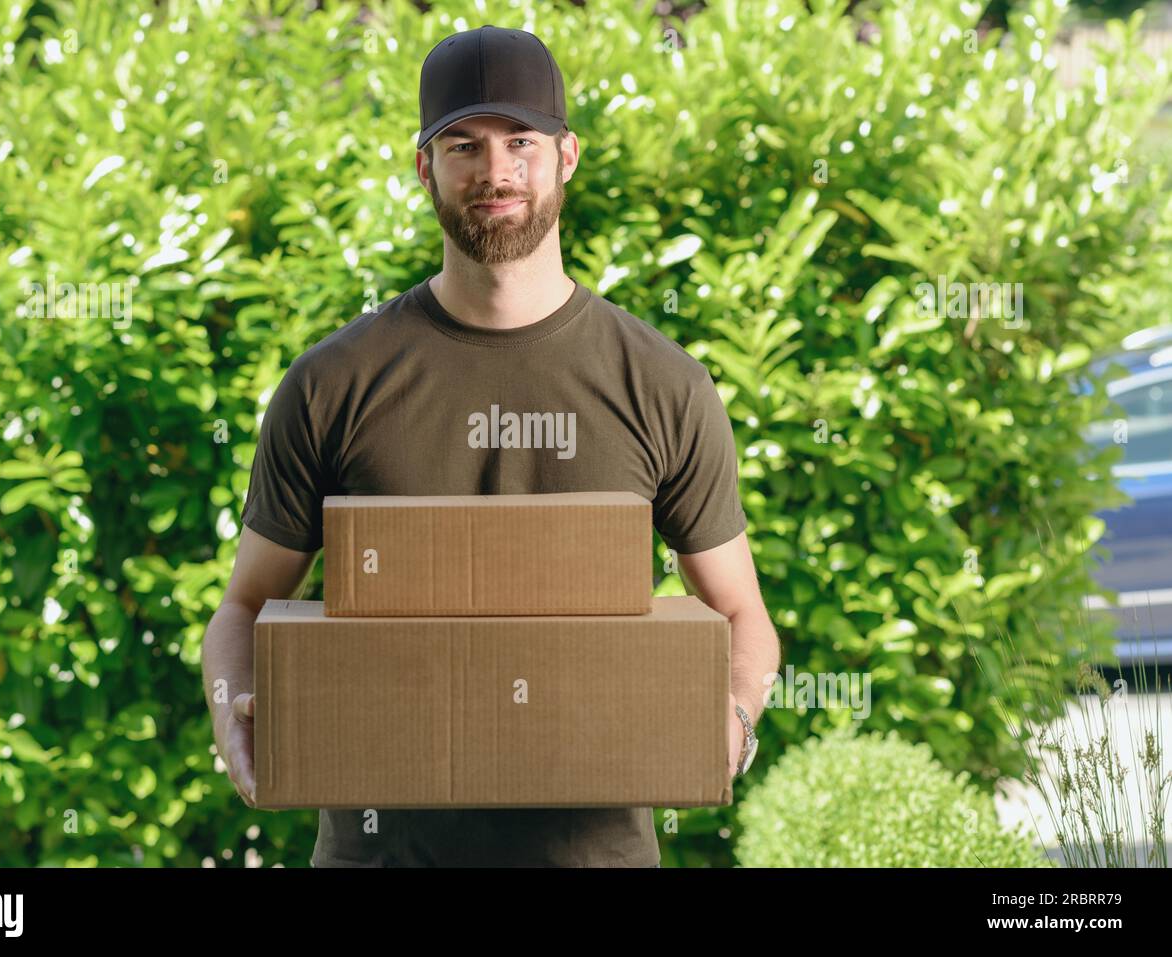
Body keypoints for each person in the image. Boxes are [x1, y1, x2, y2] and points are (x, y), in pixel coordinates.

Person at [201, 24, 781, 868]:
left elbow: (742, 615)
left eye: (521, 141)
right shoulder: (331, 384)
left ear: (567, 156)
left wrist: (732, 722)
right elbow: (244, 606)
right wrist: (233, 712)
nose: (496, 170)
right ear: (424, 165)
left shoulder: (663, 384)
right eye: (464, 144)